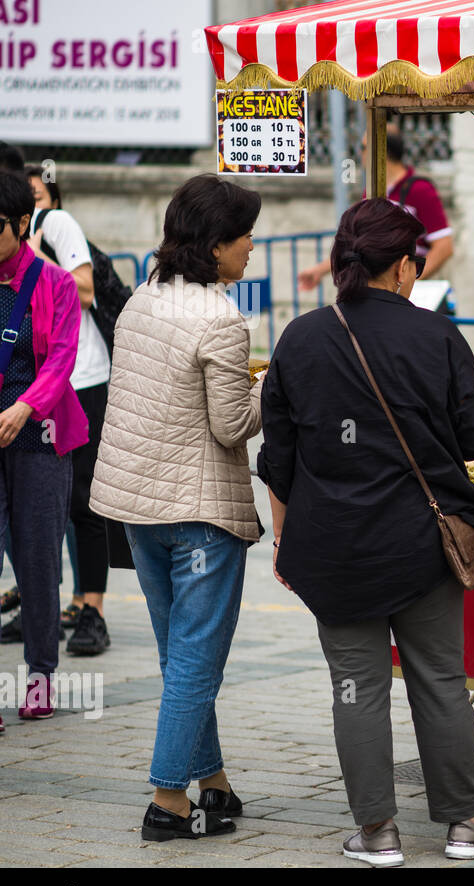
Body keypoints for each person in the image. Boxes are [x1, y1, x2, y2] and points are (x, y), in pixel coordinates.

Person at [259, 198, 474, 866]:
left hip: (333, 546)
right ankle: (467, 825)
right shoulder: (437, 335)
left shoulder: (301, 338)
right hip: (423, 543)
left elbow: (278, 457)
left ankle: (377, 833)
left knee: (356, 688)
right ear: (403, 266)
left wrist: (283, 540)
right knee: (437, 679)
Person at [89, 174, 263, 841]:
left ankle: (211, 781)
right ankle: (167, 800)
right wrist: (266, 392)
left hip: (137, 507)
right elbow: (229, 425)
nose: (252, 248)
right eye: (244, 237)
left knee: (181, 653)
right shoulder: (221, 317)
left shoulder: (139, 302)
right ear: (216, 245)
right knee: (194, 658)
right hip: (200, 512)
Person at [0, 170, 89, 734]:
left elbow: (62, 359)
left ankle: (40, 676)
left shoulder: (54, 284)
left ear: (21, 224)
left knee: (36, 559)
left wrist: (25, 407)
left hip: (38, 435)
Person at [23, 164, 113, 655]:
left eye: (37, 196)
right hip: (37, 383)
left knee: (83, 498)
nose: (31, 206)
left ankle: (93, 610)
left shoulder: (55, 227)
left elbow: (85, 289)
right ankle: (56, 604)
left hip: (81, 377)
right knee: (40, 503)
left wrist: (37, 261)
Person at [299, 123, 453, 292]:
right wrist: (318, 271)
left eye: (364, 147)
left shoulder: (420, 190)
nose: (360, 154)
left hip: (408, 289)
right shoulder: (371, 191)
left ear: (381, 151)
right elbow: (360, 241)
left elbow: (444, 246)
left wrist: (409, 281)